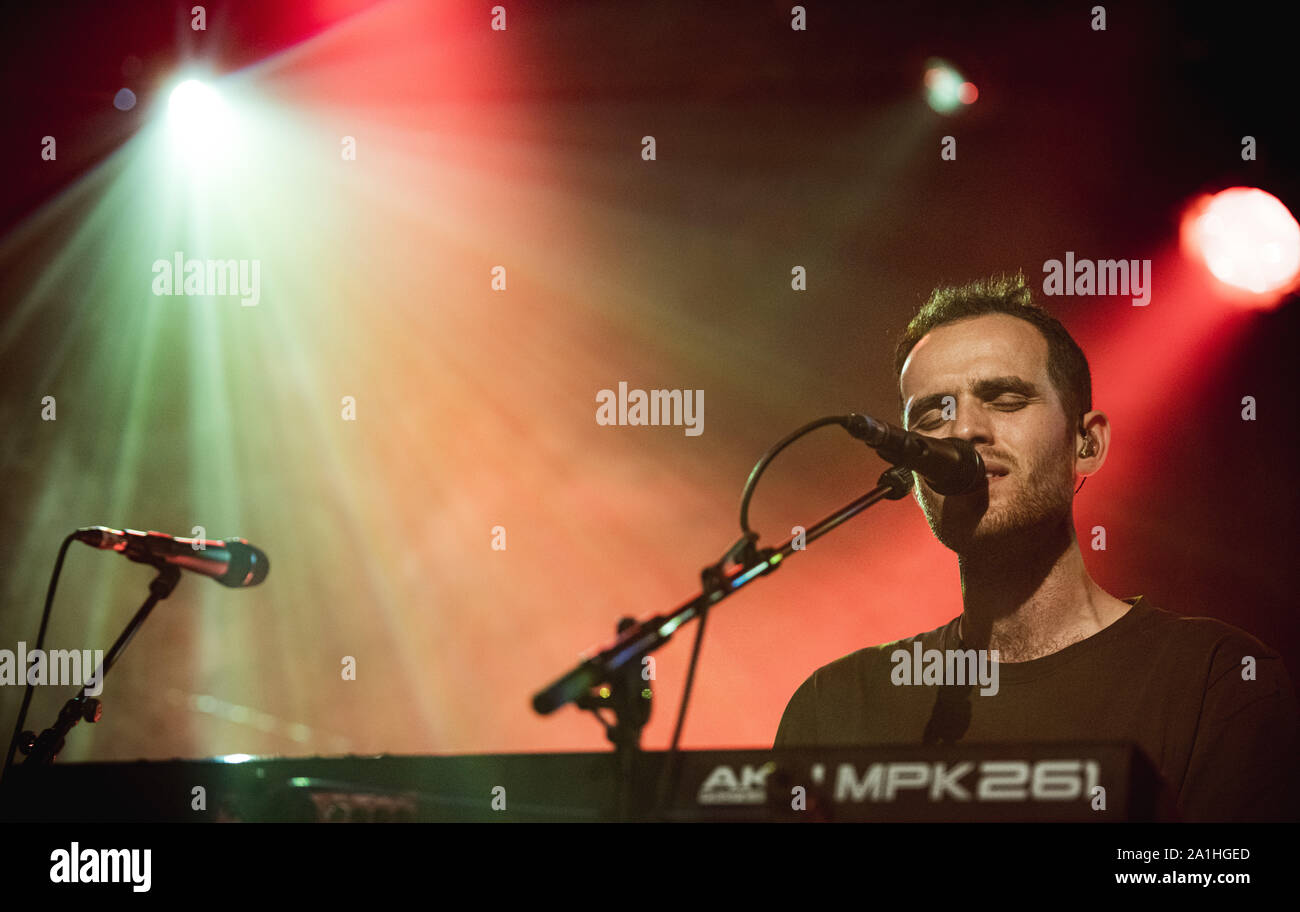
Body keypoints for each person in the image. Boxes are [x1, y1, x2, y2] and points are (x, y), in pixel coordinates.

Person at [773, 272, 1299, 822]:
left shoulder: (1215, 677)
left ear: (1087, 442)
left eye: (1005, 399)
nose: (964, 430)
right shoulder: (835, 703)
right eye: (932, 414)